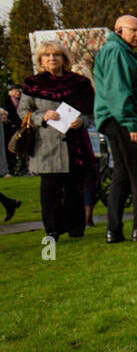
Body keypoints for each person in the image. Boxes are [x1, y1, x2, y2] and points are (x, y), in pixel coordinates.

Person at [95, 15, 137, 242]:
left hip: (116, 118)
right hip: (123, 120)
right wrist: (131, 123)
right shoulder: (116, 51)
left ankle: (114, 230)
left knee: (122, 175)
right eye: (134, 30)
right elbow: (118, 89)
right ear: (119, 30)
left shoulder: (119, 51)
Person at [18, 41, 96, 239]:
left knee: (74, 189)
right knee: (50, 191)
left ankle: (76, 228)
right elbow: (23, 111)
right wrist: (42, 117)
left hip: (74, 144)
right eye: (47, 55)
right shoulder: (33, 84)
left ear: (64, 59)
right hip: (46, 144)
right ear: (41, 60)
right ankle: (52, 229)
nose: (52, 58)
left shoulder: (79, 84)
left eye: (56, 55)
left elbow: (91, 112)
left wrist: (82, 121)